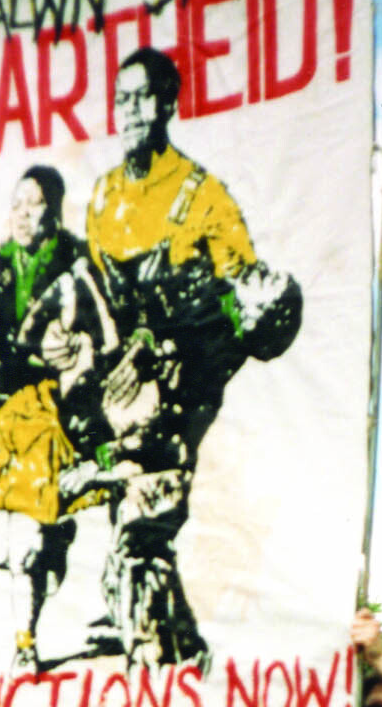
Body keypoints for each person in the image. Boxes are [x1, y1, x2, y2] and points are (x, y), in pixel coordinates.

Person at [63, 46, 302, 667]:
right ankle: (161, 632)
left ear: (168, 104)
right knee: (125, 491)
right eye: (122, 99)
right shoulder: (103, 194)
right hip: (120, 368)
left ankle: (148, 625)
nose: (131, 111)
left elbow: (242, 297)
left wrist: (171, 349)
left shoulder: (203, 195)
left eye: (142, 98)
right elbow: (97, 286)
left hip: (183, 369)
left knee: (151, 498)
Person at [0, 164, 112, 664]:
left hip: (55, 408)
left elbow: (100, 326)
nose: (23, 216)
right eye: (16, 206)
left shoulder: (76, 260)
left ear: (54, 209)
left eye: (34, 205)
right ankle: (54, 539)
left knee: (23, 542)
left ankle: (24, 646)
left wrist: (76, 353)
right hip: (3, 405)